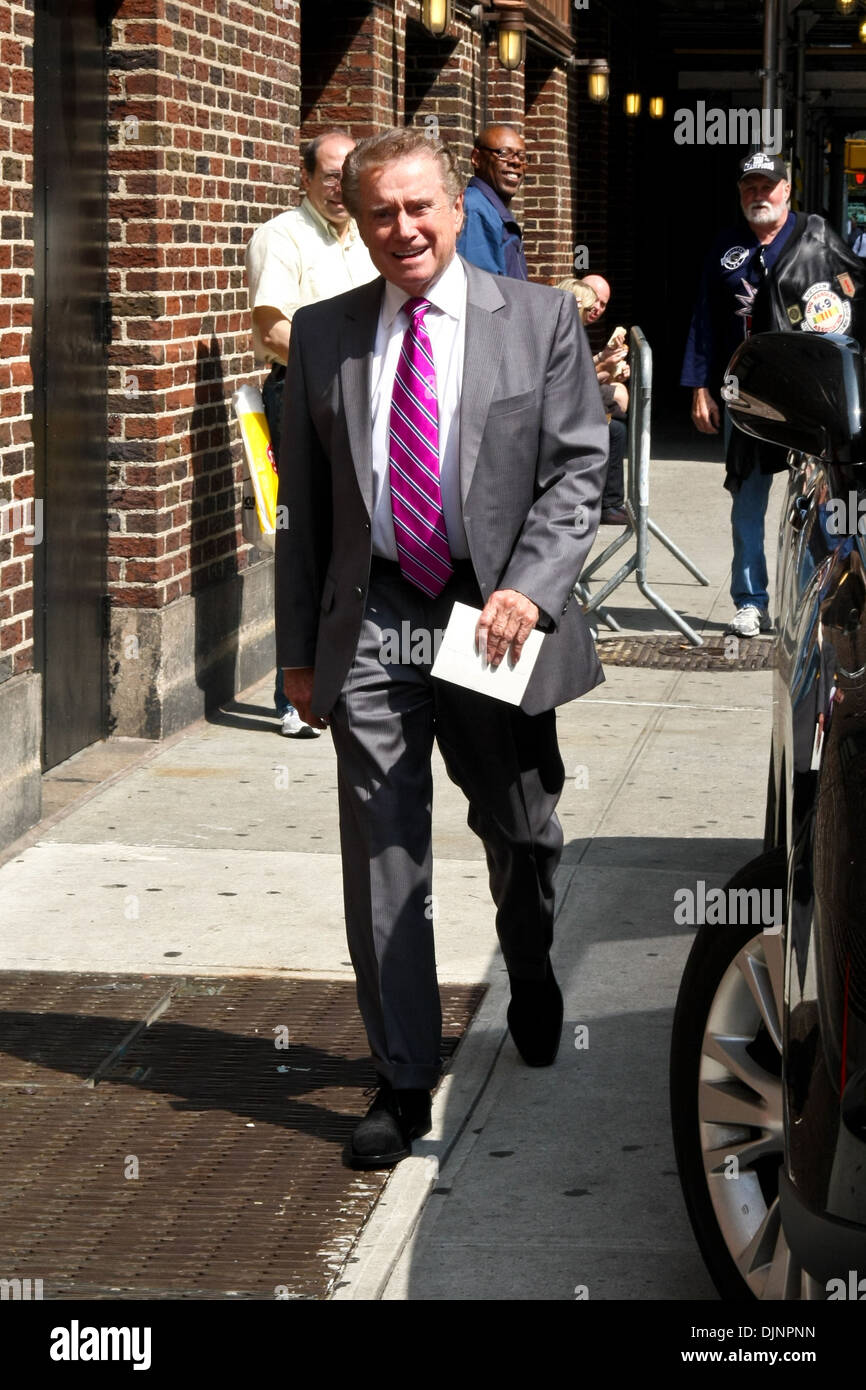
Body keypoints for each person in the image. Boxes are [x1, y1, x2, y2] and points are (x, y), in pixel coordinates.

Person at [274, 128, 608, 1169]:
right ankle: (404, 1078)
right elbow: (307, 509)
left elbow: (574, 469)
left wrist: (528, 588)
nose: (403, 229)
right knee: (383, 851)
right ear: (356, 218)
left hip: (488, 613)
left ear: (456, 213)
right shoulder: (322, 333)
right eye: (380, 213)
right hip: (372, 614)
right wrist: (297, 650)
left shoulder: (538, 320)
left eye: (420, 208)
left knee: (520, 824)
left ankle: (530, 953)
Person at [682, 151, 864, 637]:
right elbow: (704, 318)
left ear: (786, 190)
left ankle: (824, 595)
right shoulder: (727, 247)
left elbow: (852, 298)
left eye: (767, 186)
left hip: (810, 392)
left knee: (822, 497)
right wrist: (701, 385)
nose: (758, 195)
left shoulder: (817, 238)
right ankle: (750, 601)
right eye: (749, 188)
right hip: (749, 392)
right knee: (748, 496)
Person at [245, 129, 377, 733]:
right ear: (305, 177)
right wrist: (339, 367)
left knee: (358, 529)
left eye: (346, 173)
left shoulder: (366, 237)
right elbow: (272, 329)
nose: (336, 185)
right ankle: (288, 695)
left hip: (369, 397)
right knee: (303, 537)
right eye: (326, 174)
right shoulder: (283, 236)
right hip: (302, 394)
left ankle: (346, 675)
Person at [559, 278, 629, 525]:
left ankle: (608, 500)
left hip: (569, 403)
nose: (596, 309)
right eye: (591, 304)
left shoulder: (571, 329)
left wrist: (610, 369)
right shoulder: (563, 330)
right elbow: (570, 377)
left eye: (602, 304)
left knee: (617, 416)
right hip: (560, 411)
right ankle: (609, 504)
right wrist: (603, 361)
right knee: (616, 427)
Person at [456, 124, 528, 279]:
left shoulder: (492, 209)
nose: (516, 162)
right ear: (476, 158)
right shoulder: (474, 210)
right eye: (504, 153)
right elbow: (477, 289)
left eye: (521, 157)